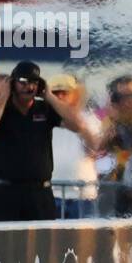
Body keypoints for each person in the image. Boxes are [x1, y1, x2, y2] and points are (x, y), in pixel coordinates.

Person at [0, 61, 87, 222]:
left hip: (39, 193)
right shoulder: (2, 110)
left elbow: (78, 125)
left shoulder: (44, 109)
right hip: (7, 192)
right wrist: (4, 95)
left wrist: (49, 96)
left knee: (44, 244)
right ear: (13, 84)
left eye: (33, 82)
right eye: (22, 82)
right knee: (6, 245)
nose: (28, 87)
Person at [99, 75, 132, 216]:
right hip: (116, 197)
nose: (129, 102)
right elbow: (99, 155)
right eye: (122, 97)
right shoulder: (112, 128)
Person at [49, 74, 102, 218]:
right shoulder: (43, 119)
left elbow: (94, 147)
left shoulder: (89, 119)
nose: (60, 97)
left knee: (85, 240)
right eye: (55, 93)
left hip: (83, 196)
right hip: (51, 195)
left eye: (64, 93)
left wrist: (72, 111)